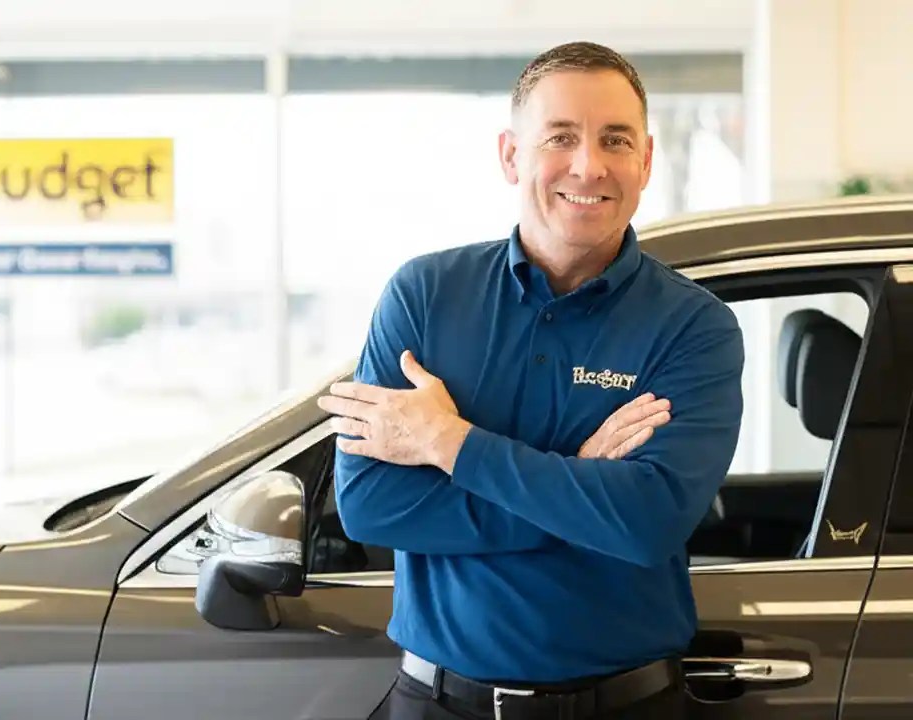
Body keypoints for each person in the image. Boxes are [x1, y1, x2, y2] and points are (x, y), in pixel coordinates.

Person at [317, 41, 744, 720]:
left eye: (614, 139)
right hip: (438, 703)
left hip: (627, 705)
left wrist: (451, 445)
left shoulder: (695, 328)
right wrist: (576, 481)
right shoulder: (426, 296)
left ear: (646, 160)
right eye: (561, 138)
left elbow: (644, 522)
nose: (589, 165)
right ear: (512, 155)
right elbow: (375, 505)